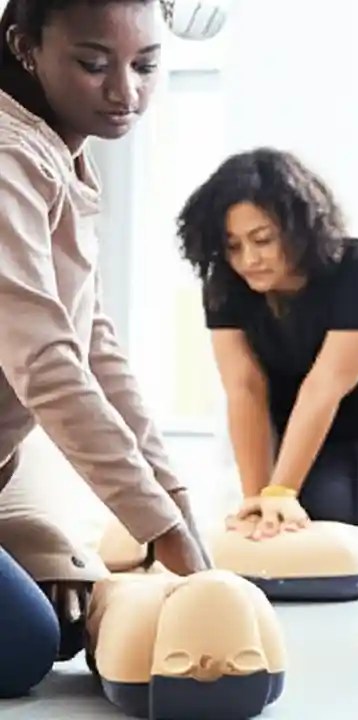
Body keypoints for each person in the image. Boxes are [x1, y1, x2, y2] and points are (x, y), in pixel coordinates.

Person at [0, 0, 210, 698]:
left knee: (61, 622)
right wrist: (157, 525)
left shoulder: (60, 151)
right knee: (23, 648)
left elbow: (94, 343)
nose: (126, 93)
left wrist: (174, 506)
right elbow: (46, 363)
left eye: (146, 65)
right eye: (94, 65)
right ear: (24, 47)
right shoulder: (7, 158)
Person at [176, 147, 358, 590]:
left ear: (298, 228)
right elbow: (244, 389)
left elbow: (325, 385)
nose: (249, 259)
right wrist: (258, 499)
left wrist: (282, 491)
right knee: (313, 541)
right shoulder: (225, 287)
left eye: (262, 239)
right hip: (315, 436)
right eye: (233, 246)